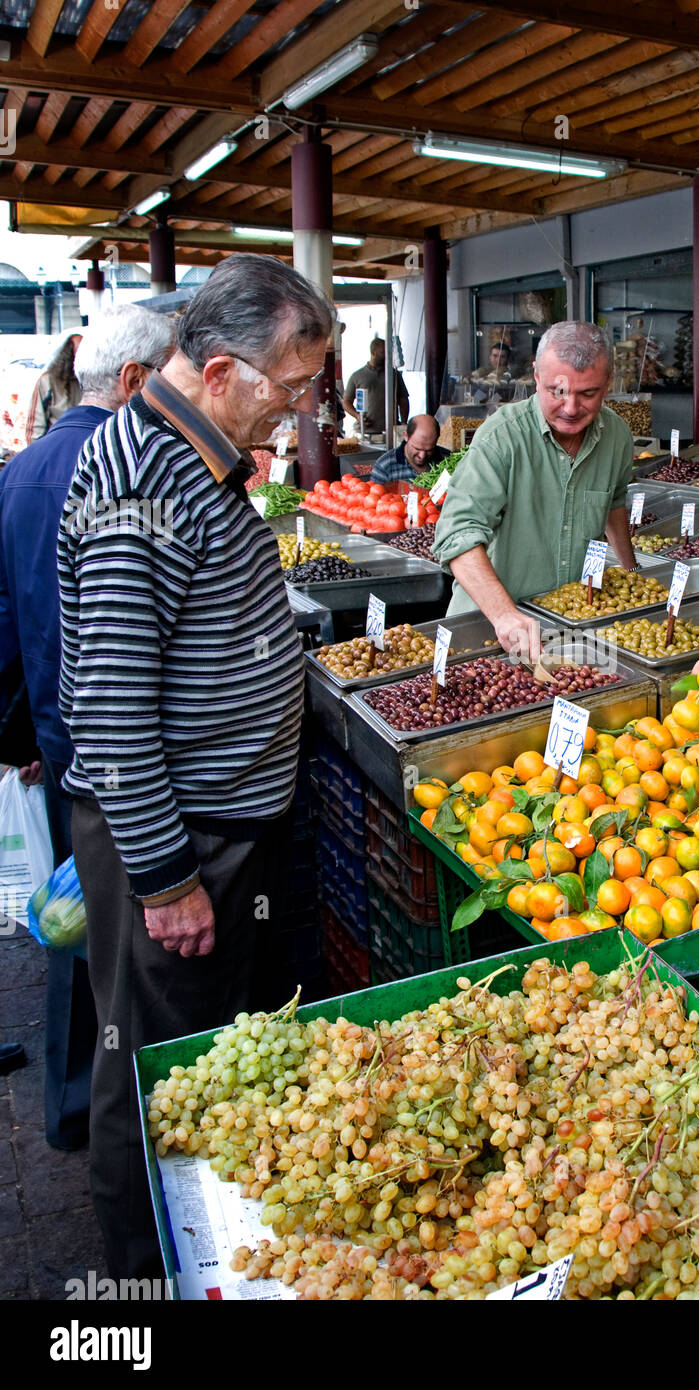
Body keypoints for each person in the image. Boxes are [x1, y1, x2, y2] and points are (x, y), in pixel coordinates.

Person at [57, 253, 334, 1278]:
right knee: (153, 1066)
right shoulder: (144, 480)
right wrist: (170, 880)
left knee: (191, 1048)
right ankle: (141, 1277)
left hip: (224, 827)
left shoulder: (193, 454)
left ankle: (201, 1248)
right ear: (218, 371)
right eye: (291, 387)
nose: (299, 409)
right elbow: (115, 707)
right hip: (181, 847)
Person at [0, 303, 175, 1152]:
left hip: (59, 730)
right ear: (138, 381)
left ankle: (70, 1100)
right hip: (117, 747)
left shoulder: (24, 467)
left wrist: (21, 731)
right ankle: (117, 1123)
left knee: (82, 924)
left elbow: (7, 609)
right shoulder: (124, 470)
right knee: (119, 945)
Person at [432, 321, 638, 658]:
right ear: (536, 378)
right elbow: (457, 532)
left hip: (567, 629)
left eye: (588, 394)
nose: (571, 408)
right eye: (557, 392)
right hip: (487, 629)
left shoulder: (616, 436)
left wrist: (632, 574)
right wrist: (504, 614)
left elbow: (613, 503)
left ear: (608, 384)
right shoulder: (502, 436)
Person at [342, 336, 408, 435]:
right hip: (366, 432)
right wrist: (357, 415)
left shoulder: (394, 375)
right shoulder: (358, 376)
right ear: (373, 353)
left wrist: (403, 423)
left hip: (391, 431)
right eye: (383, 352)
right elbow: (346, 402)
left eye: (388, 352)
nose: (386, 356)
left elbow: (403, 400)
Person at [26, 332, 82, 443]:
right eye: (78, 351)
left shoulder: (94, 380)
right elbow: (36, 426)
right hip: (57, 444)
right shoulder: (48, 380)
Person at [369, 413, 449, 485]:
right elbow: (374, 497)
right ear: (406, 436)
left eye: (429, 450)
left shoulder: (448, 460)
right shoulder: (385, 466)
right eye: (417, 448)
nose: (422, 456)